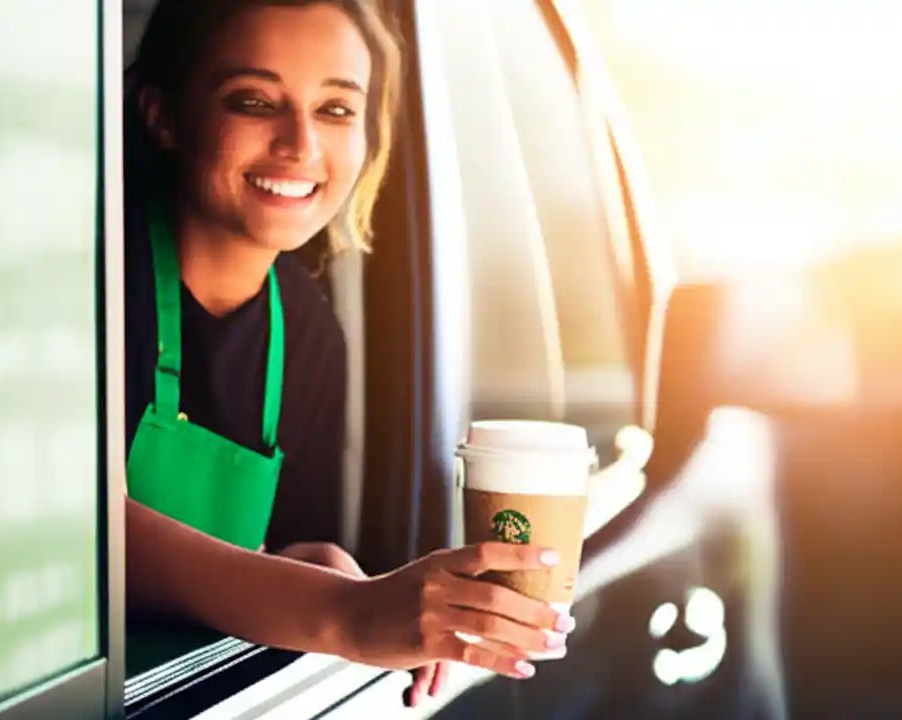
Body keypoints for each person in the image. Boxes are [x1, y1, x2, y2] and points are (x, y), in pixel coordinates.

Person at [122, 0, 577, 701]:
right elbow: (83, 531)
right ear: (163, 115)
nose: (299, 143)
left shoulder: (303, 334)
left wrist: (330, 569)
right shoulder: (93, 282)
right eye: (253, 101)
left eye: (335, 111)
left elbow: (271, 555)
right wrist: (346, 615)